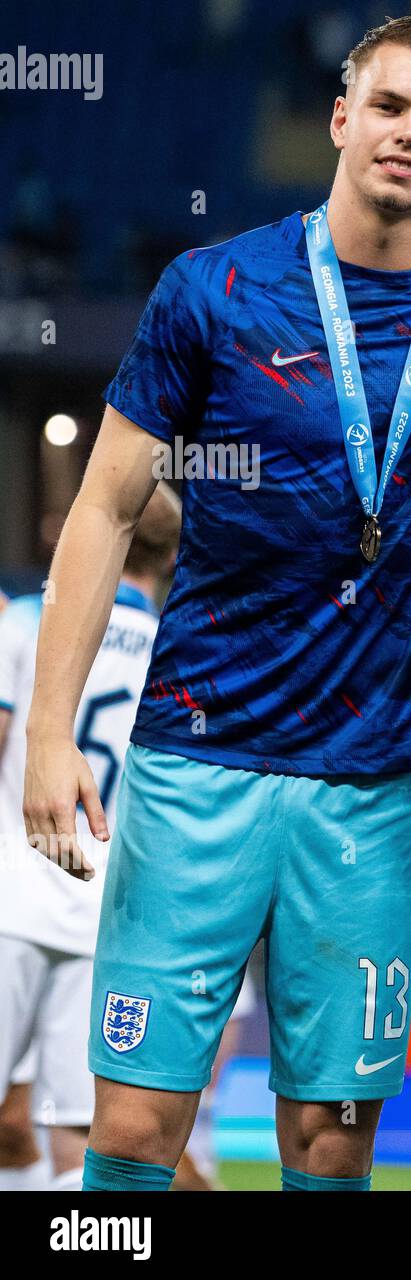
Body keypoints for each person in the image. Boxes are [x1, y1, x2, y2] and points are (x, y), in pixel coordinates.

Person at [17, 14, 411, 1194]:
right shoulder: (213, 288)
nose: (409, 133)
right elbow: (103, 509)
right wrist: (45, 729)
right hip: (197, 761)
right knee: (130, 1130)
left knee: (330, 1140)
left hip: (372, 782)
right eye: (389, 105)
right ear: (342, 118)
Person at [0, 489, 179, 1191]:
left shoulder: (24, 621)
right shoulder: (176, 649)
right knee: (80, 1134)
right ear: (168, 560)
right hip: (110, 916)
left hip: (11, 896)